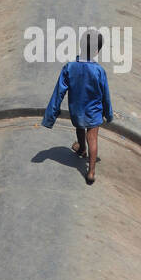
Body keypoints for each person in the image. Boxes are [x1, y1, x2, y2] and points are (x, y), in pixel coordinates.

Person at [41, 29, 113, 184]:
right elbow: (105, 94)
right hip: (94, 112)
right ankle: (91, 172)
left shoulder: (69, 67)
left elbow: (58, 92)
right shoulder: (99, 71)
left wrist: (50, 116)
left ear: (81, 46)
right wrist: (109, 113)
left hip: (77, 110)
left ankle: (81, 149)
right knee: (92, 138)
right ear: (97, 51)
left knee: (80, 128)